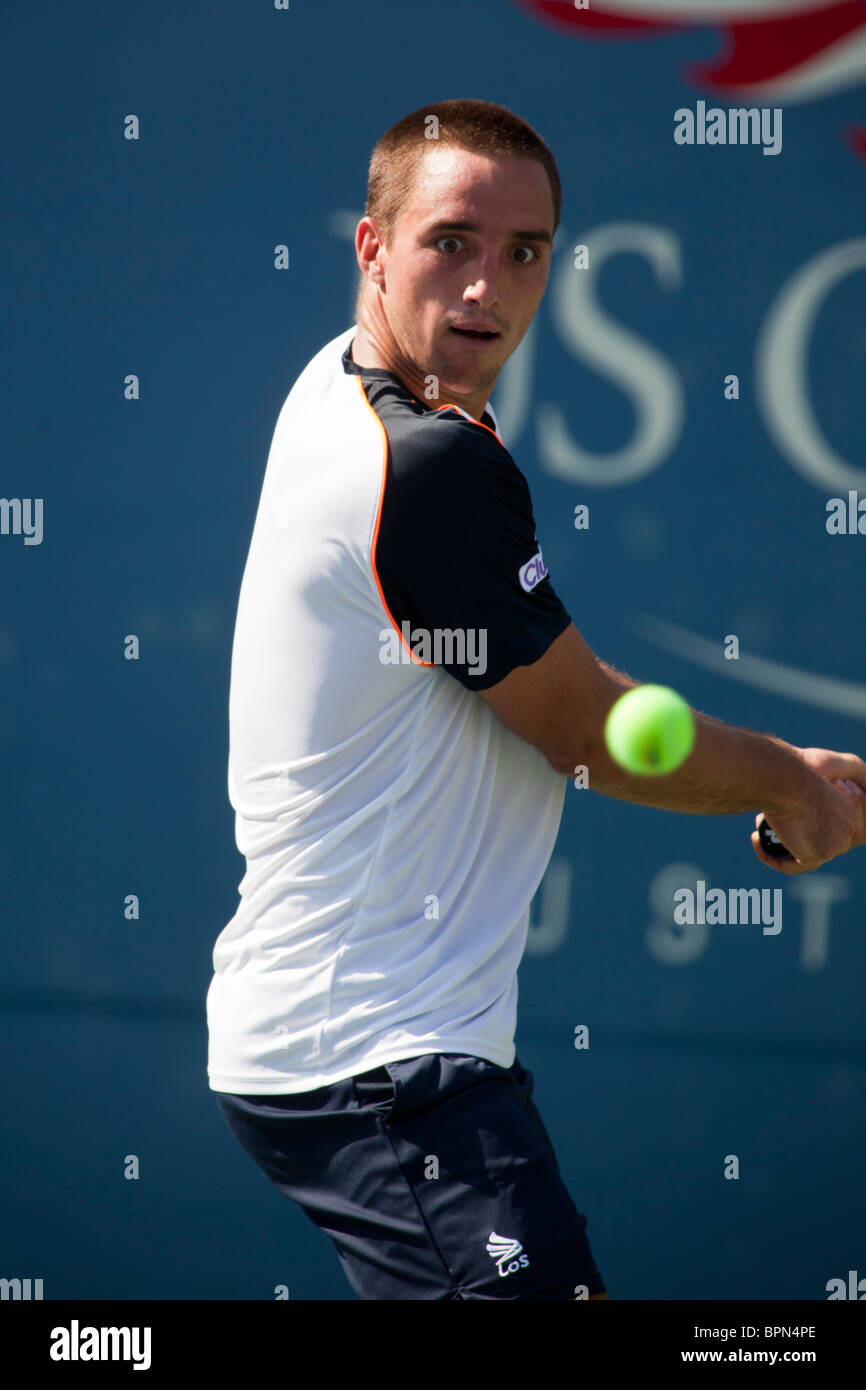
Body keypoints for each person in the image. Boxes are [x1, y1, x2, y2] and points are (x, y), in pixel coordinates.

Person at [207, 98, 866, 1301]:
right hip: (381, 1064)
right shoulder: (422, 464)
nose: (486, 287)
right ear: (371, 248)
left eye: (524, 253)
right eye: (448, 242)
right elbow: (586, 731)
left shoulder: (347, 384)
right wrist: (787, 781)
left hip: (362, 1048)